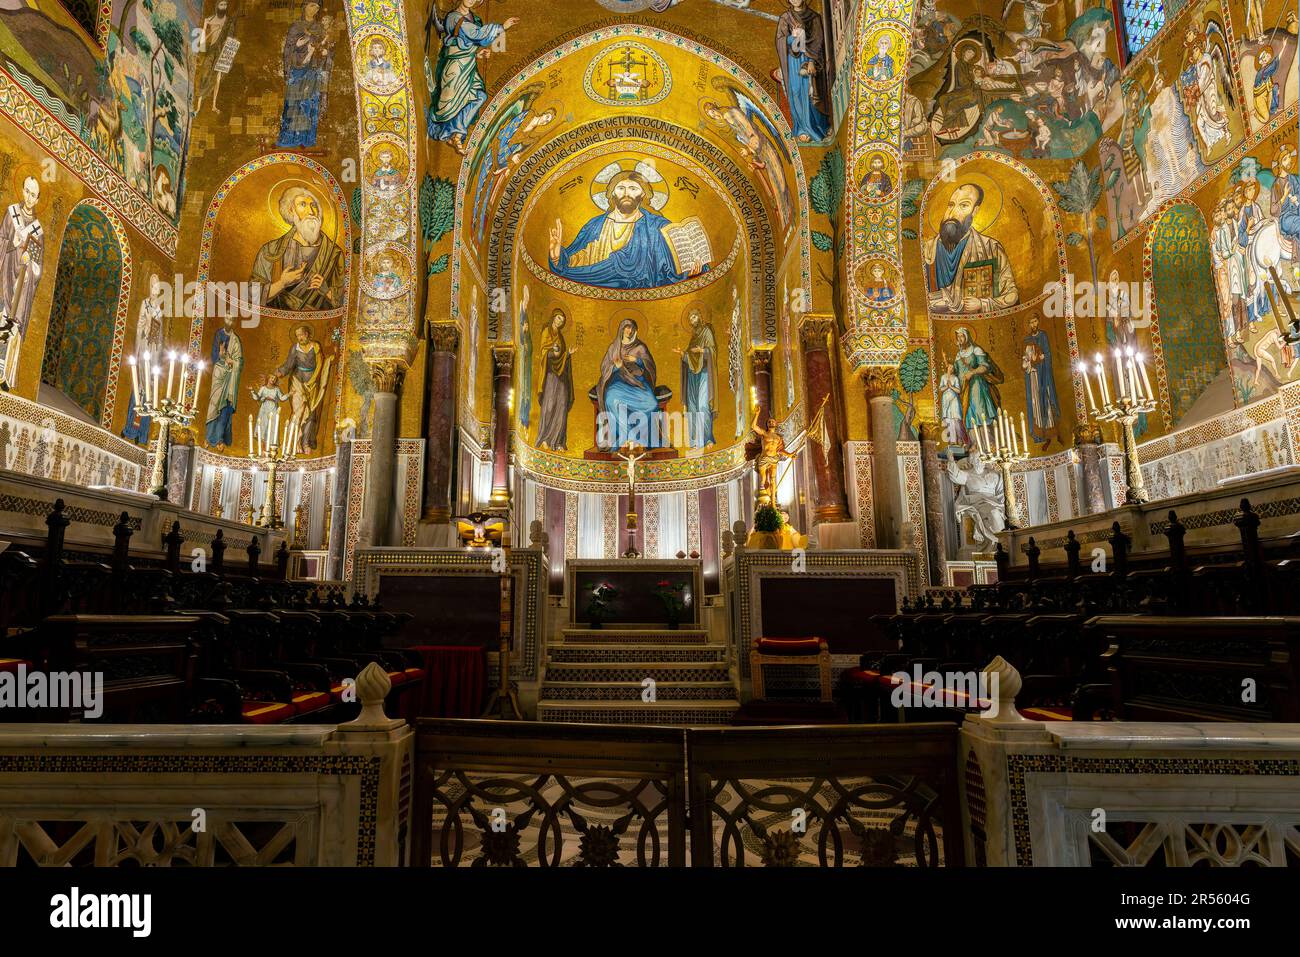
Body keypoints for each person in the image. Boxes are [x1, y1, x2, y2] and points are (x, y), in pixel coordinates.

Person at [549, 170, 705, 289]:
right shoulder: (595, 225)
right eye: (621, 188)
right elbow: (579, 258)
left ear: (643, 193)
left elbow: (670, 266)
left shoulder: (657, 226)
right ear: (612, 193)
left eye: (633, 189)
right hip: (597, 285)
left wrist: (690, 271)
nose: (626, 193)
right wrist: (557, 257)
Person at [426, 0, 520, 154]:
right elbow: (474, 35)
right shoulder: (453, 17)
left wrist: (477, 54)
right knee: (449, 103)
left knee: (480, 96)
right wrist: (502, 27)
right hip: (455, 65)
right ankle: (448, 130)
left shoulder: (474, 19)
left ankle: (457, 132)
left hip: (468, 65)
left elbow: (469, 42)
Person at [922, 183, 1019, 313]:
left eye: (964, 205)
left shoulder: (991, 248)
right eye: (951, 205)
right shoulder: (927, 249)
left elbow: (1012, 295)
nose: (952, 213)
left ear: (975, 211)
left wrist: (982, 304)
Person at [251, 185, 345, 311]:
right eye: (303, 205)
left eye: (314, 206)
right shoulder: (270, 251)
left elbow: (346, 302)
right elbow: (253, 297)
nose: (311, 212)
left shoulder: (334, 253)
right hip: (276, 322)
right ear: (291, 211)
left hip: (316, 323)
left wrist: (326, 291)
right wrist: (281, 283)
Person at [0, 176, 42, 388]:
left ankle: (4, 375)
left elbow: (38, 267)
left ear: (37, 199)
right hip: (4, 280)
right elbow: (0, 240)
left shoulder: (37, 230)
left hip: (20, 289)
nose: (29, 197)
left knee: (12, 328)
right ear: (22, 190)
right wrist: (12, 243)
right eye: (27, 191)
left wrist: (30, 262)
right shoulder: (11, 213)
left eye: (33, 195)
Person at [595, 318, 662, 450]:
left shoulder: (640, 347)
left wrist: (637, 360)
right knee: (611, 399)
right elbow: (604, 368)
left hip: (638, 382)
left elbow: (650, 367)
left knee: (652, 404)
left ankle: (634, 437)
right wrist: (616, 366)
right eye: (626, 327)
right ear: (621, 329)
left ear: (635, 330)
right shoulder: (614, 347)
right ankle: (627, 438)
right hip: (618, 382)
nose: (628, 330)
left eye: (631, 327)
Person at [774, 0, 831, 142]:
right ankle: (801, 128)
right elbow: (780, 39)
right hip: (793, 62)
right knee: (796, 92)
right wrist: (793, 37)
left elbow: (818, 41)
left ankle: (818, 126)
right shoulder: (785, 18)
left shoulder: (814, 17)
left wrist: (812, 61)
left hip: (808, 60)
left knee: (810, 93)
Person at [276, 324, 333, 455]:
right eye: (297, 336)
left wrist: (312, 380)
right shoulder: (295, 348)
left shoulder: (315, 346)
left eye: (301, 335)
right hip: (297, 381)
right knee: (298, 411)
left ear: (307, 334)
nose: (299, 338)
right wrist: (280, 372)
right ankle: (293, 442)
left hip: (312, 383)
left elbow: (319, 364)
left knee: (311, 413)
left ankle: (305, 441)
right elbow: (289, 364)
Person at [676, 306, 717, 449]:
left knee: (702, 405)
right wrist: (683, 355)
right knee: (692, 407)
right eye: (690, 319)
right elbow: (690, 358)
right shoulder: (693, 338)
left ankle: (707, 439)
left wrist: (703, 351)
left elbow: (713, 351)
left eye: (694, 317)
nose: (692, 320)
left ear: (699, 316)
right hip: (691, 375)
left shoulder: (707, 332)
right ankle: (694, 441)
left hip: (704, 372)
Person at [535, 308, 576, 451]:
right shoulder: (546, 331)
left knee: (562, 406)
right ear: (553, 317)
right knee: (550, 405)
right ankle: (545, 438)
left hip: (562, 378)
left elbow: (562, 356)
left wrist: (567, 354)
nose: (560, 322)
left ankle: (558, 441)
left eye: (563, 321)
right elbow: (543, 351)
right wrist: (554, 352)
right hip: (550, 376)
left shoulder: (560, 336)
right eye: (559, 318)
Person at [205, 314, 243, 450]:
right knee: (214, 404)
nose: (229, 321)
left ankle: (220, 438)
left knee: (225, 408)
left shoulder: (236, 340)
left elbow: (240, 361)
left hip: (230, 378)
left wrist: (232, 361)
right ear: (224, 319)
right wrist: (221, 356)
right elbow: (214, 355)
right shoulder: (218, 334)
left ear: (234, 322)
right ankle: (209, 437)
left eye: (232, 319)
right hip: (219, 373)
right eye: (227, 318)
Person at [1021, 313, 1059, 448]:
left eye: (1035, 321)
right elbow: (1025, 360)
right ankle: (1040, 433)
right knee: (1035, 402)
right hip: (1033, 376)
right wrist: (1028, 364)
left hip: (1044, 375)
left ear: (1038, 322)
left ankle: (1051, 432)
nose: (1033, 325)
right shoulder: (1027, 340)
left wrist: (1043, 357)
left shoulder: (1043, 335)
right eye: (1031, 322)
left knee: (1046, 400)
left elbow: (1048, 353)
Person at [250, 373, 290, 443]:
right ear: (268, 378)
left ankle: (270, 444)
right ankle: (263, 446)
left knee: (272, 426)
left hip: (273, 408)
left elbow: (282, 398)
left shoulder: (276, 389)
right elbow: (257, 398)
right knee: (263, 425)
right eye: (272, 378)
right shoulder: (263, 388)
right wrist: (253, 391)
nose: (273, 380)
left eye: (274, 379)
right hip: (264, 409)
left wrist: (289, 394)